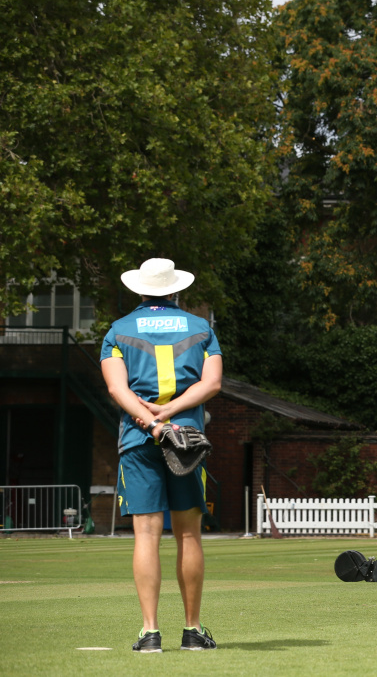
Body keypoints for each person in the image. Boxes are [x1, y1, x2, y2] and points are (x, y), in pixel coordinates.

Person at [100, 259, 223, 653]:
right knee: (188, 534)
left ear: (139, 290)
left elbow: (118, 391)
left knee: (147, 536)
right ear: (176, 290)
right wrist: (171, 414)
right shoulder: (202, 329)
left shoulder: (118, 331)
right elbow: (213, 383)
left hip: (139, 440)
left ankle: (150, 633)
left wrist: (152, 421)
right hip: (186, 440)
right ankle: (192, 632)